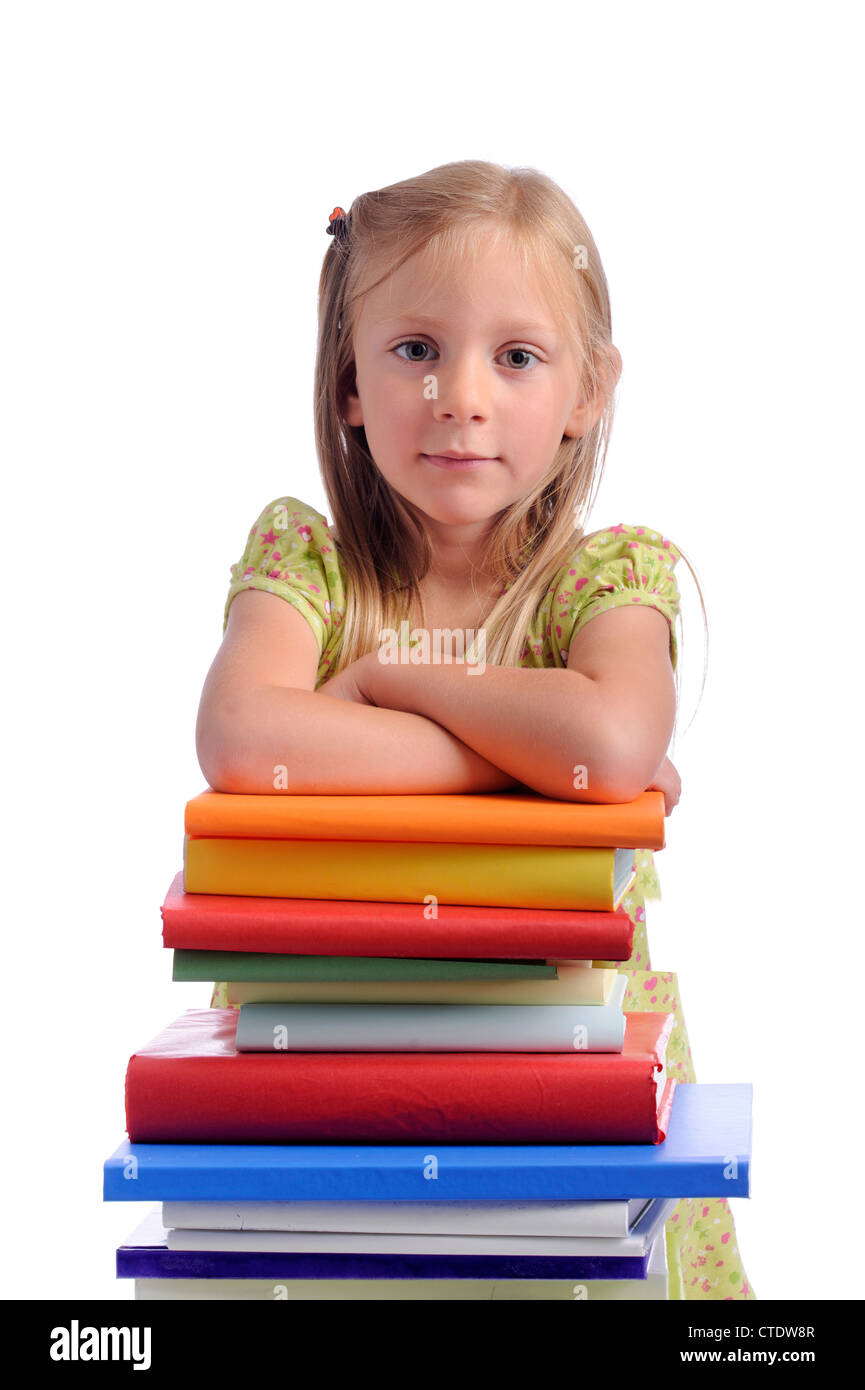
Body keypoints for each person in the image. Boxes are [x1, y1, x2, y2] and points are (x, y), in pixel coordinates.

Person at [195, 160, 754, 1301]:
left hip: (569, 1054)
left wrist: (394, 682)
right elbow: (250, 741)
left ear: (586, 390)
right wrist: (540, 767)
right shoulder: (308, 557)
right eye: (414, 350)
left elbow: (610, 745)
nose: (461, 396)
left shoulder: (607, 577)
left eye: (515, 356)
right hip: (330, 1042)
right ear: (347, 379)